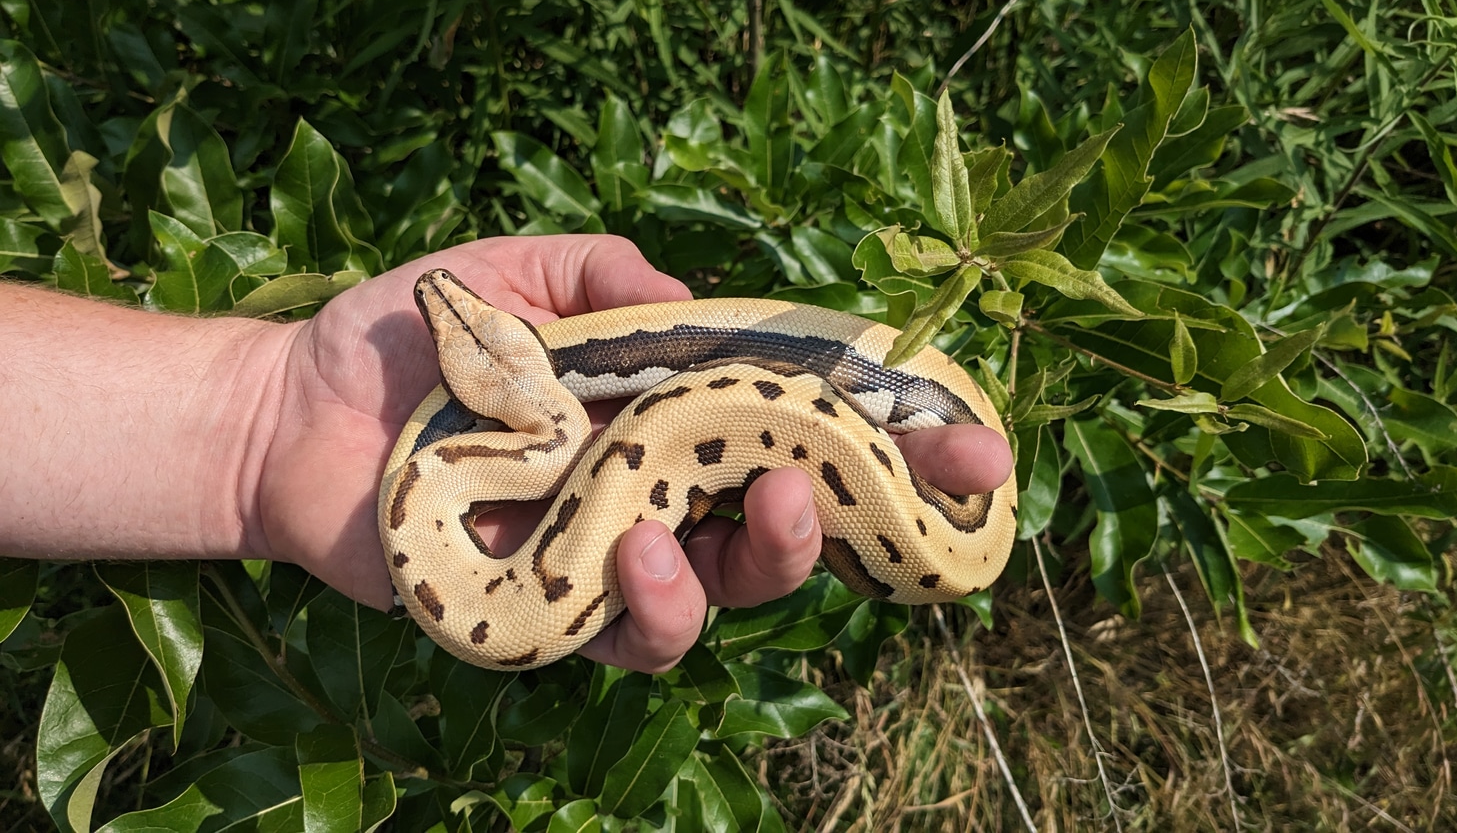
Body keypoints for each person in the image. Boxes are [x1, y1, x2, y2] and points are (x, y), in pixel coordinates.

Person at [0, 235, 1012, 673]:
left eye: (469, 324)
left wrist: (264, 419)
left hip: (592, 428)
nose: (447, 306)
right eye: (457, 337)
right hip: (595, 442)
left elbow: (553, 423)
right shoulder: (499, 442)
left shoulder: (460, 456)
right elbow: (556, 423)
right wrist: (265, 425)